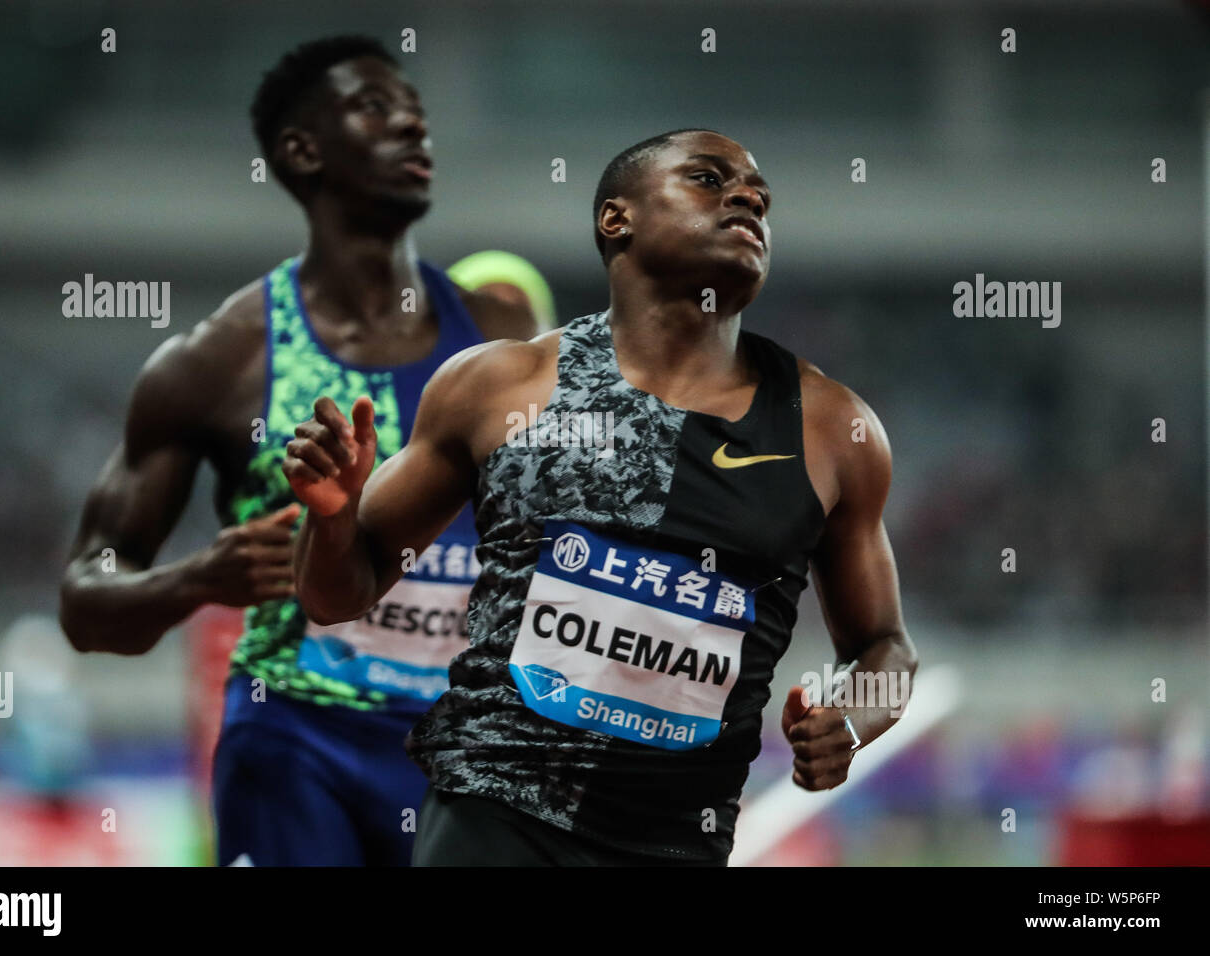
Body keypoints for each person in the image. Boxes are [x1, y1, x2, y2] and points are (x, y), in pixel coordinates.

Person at [285, 128, 917, 866]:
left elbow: (884, 647)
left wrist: (851, 718)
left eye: (760, 197)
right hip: (495, 811)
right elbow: (338, 591)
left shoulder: (834, 429)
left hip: (678, 840)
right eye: (709, 180)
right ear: (617, 219)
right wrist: (329, 518)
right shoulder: (495, 388)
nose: (747, 197)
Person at [59, 35, 537, 866]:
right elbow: (84, 599)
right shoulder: (222, 364)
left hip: (465, 757)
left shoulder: (502, 346)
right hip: (295, 745)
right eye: (377, 110)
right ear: (302, 151)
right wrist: (197, 579)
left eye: (418, 116)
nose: (414, 131)